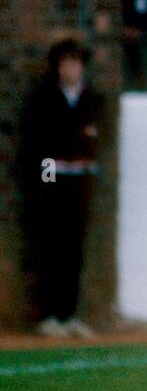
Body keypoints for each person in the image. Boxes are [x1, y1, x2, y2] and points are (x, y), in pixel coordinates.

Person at [21, 39, 104, 338]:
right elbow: (37, 146)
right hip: (53, 180)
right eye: (66, 62)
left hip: (79, 182)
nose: (72, 68)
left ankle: (69, 313)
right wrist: (47, 184)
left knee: (74, 248)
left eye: (77, 62)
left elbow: (98, 141)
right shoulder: (44, 99)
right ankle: (50, 314)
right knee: (51, 246)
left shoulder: (91, 100)